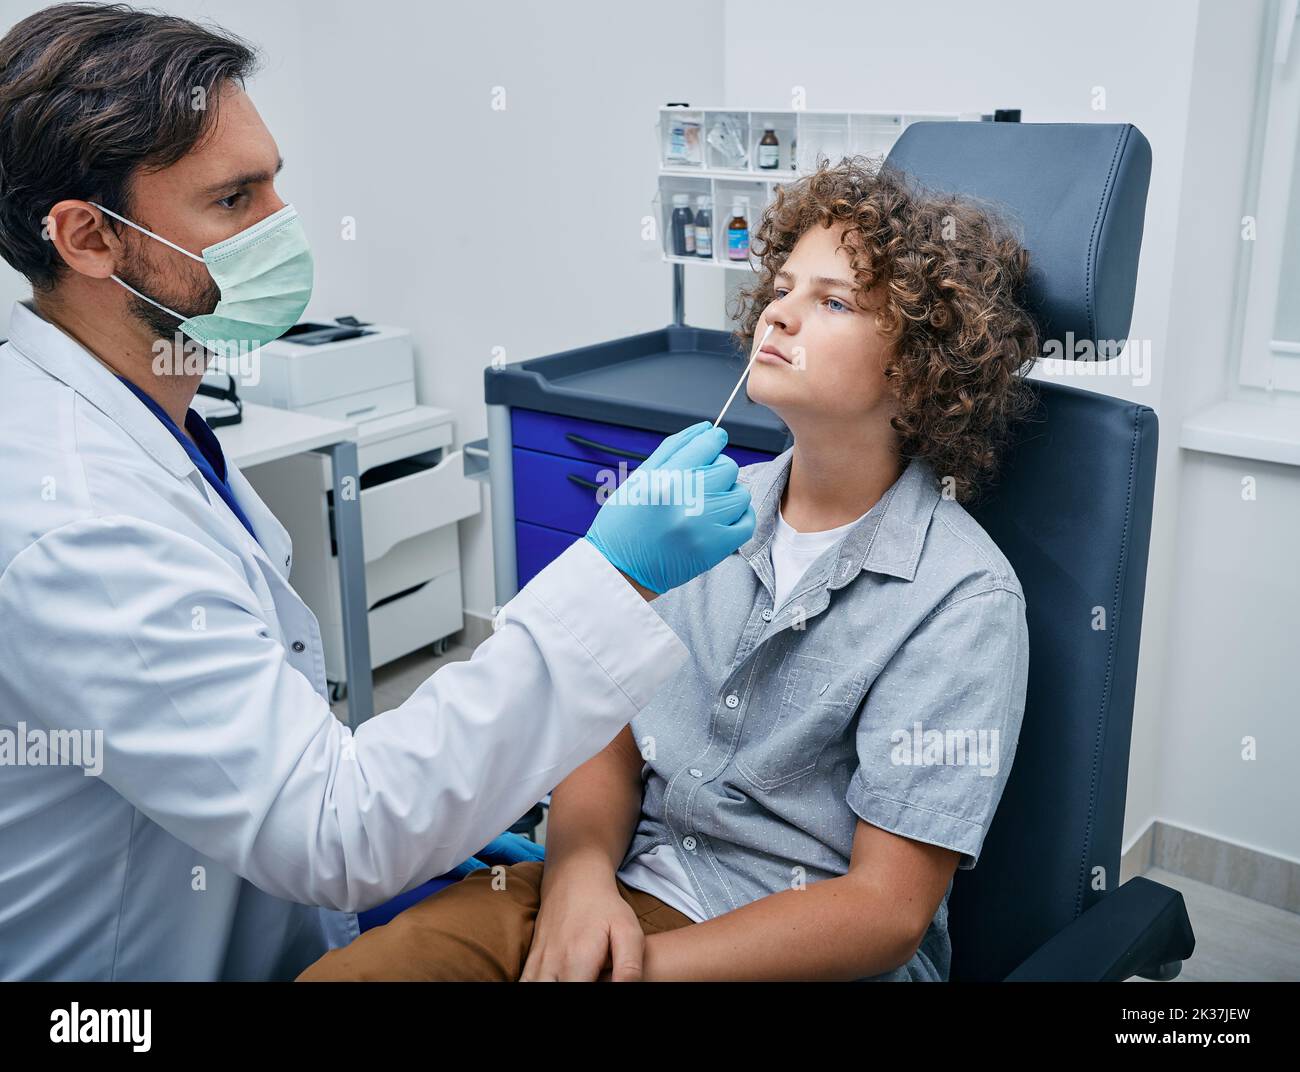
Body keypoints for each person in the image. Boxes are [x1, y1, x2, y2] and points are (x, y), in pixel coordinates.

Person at [0, 3, 753, 981]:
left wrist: (439, 816)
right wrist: (611, 575)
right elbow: (330, 831)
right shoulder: (75, 517)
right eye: (233, 201)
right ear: (88, 237)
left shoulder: (147, 407)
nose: (282, 229)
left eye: (276, 184)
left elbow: (254, 746)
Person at [297, 156, 1041, 982]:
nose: (779, 317)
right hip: (613, 882)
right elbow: (606, 721)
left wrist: (642, 970)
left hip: (783, 947)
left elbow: (886, 912)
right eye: (783, 288)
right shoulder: (692, 518)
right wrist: (579, 883)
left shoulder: (961, 599)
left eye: (831, 302)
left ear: (918, 370)